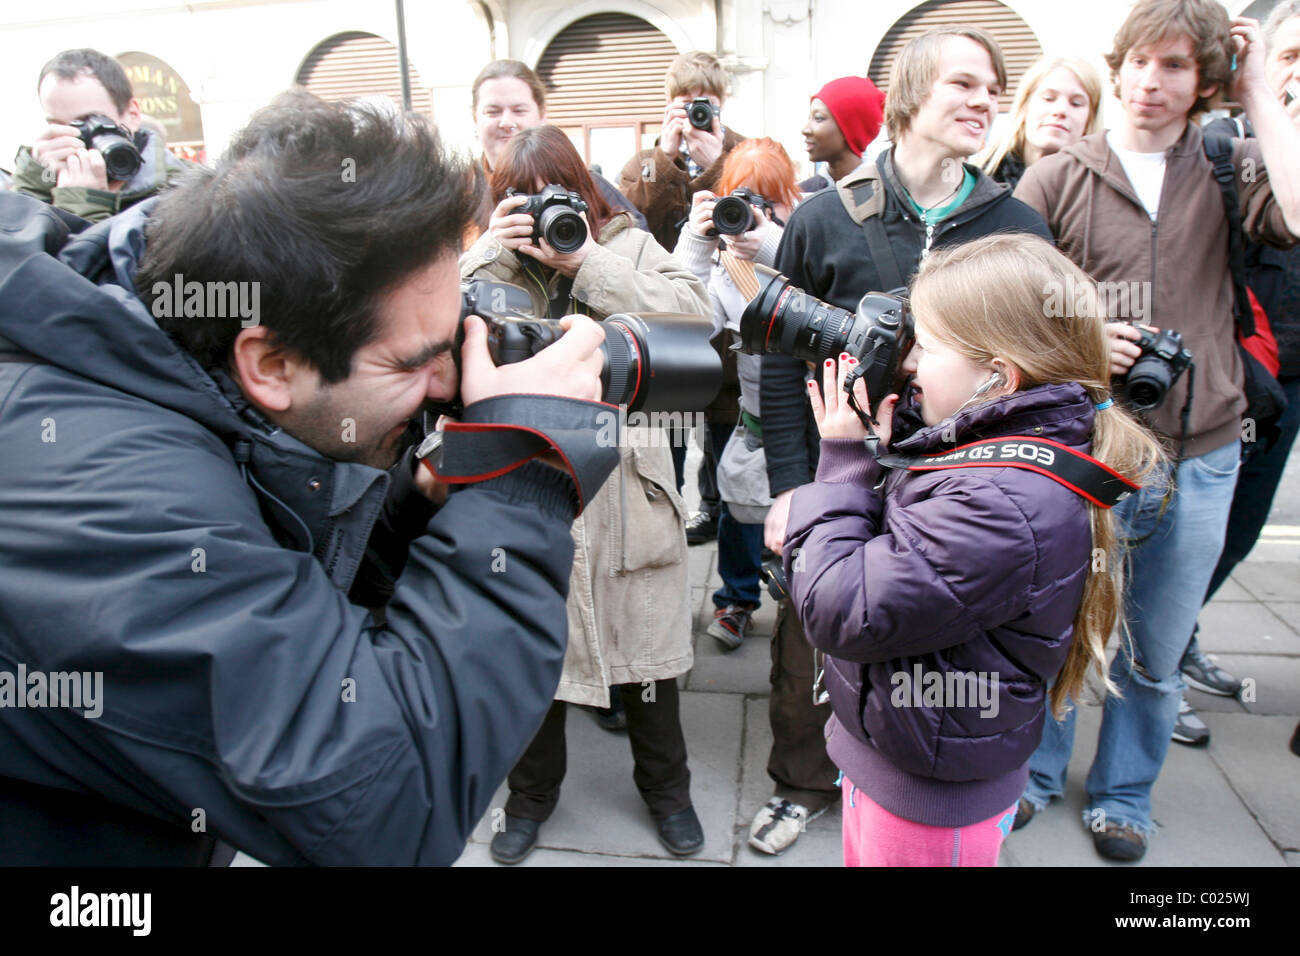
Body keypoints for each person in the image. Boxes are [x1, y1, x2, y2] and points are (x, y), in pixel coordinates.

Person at [0, 91, 621, 866]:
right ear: (272, 364)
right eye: (412, 360)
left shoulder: (162, 341)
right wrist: (523, 471)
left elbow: (279, 602)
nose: (446, 383)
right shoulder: (95, 491)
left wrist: (409, 512)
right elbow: (385, 805)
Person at [1012, 0, 1300, 861]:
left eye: (1176, 66)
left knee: (1157, 645)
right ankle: (1032, 776)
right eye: (1140, 61)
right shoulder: (1059, 173)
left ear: (1202, 80)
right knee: (1061, 626)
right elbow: (1007, 303)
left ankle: (1125, 794)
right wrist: (1088, 332)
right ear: (1120, 63)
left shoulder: (1229, 164)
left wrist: (1258, 91)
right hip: (1086, 449)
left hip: (1204, 449)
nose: (1150, 81)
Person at [753, 25, 1051, 856]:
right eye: (964, 83)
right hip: (839, 466)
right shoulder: (822, 218)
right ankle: (800, 782)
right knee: (807, 634)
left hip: (962, 490)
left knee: (940, 650)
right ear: (911, 97)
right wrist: (791, 484)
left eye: (993, 87)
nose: (985, 99)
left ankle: (925, 789)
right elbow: (783, 366)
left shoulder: (1018, 222)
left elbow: (1042, 368)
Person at [787, 233, 1162, 866]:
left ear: (997, 376)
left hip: (926, 800)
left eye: (925, 349)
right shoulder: (992, 454)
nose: (907, 365)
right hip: (899, 755)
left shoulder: (1002, 504)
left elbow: (841, 607)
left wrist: (844, 465)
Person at [460, 124, 710, 863]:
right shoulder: (488, 258)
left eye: (555, 195)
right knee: (530, 658)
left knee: (651, 658)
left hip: (627, 486)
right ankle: (530, 800)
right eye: (520, 198)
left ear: (584, 186)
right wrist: (481, 252)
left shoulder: (625, 245)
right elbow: (429, 334)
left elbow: (696, 321)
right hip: (526, 481)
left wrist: (588, 260)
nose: (541, 214)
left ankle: (670, 794)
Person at [1175, 0, 1300, 749]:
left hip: (1291, 377)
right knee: (1200, 529)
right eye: (1291, 54)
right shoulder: (1226, 143)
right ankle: (1150, 651)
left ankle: (1172, 637)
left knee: (1242, 532)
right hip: (1237, 377)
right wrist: (1256, 91)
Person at [672, 138, 801, 649]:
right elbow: (688, 324)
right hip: (753, 414)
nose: (753, 217)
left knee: (808, 517)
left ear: (791, 199)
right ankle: (736, 600)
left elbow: (821, 300)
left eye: (768, 203)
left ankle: (807, 605)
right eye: (742, 204)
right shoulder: (725, 266)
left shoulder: (809, 233)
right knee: (738, 508)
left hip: (814, 418)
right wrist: (697, 246)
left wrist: (772, 243)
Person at [619, 50, 749, 541]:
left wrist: (718, 164)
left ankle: (727, 557)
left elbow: (766, 217)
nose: (696, 112)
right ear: (668, 104)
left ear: (723, 102)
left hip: (732, 342)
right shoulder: (645, 164)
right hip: (667, 337)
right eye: (685, 102)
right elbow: (632, 226)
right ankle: (665, 537)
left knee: (728, 450)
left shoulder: (747, 153)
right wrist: (666, 160)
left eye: (706, 102)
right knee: (664, 448)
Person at [467, 59, 644, 241]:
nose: (506, 123)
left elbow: (638, 252)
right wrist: (490, 253)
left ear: (542, 114)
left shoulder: (588, 187)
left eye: (519, 110)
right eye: (493, 112)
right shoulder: (457, 197)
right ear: (474, 117)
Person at [9, 48, 192, 222]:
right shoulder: (42, 181)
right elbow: (14, 250)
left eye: (91, 121)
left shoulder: (187, 192)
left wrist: (84, 203)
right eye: (57, 126)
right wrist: (35, 182)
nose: (74, 137)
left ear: (132, 115)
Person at [978, 55, 1103, 190]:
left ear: (1090, 118)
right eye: (1049, 98)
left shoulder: (1099, 194)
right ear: (1025, 105)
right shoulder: (976, 183)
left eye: (1076, 103)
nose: (1061, 110)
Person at [800, 75, 886, 193]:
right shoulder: (802, 195)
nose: (805, 130)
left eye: (818, 118)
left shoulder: (884, 197)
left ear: (850, 128)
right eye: (810, 118)